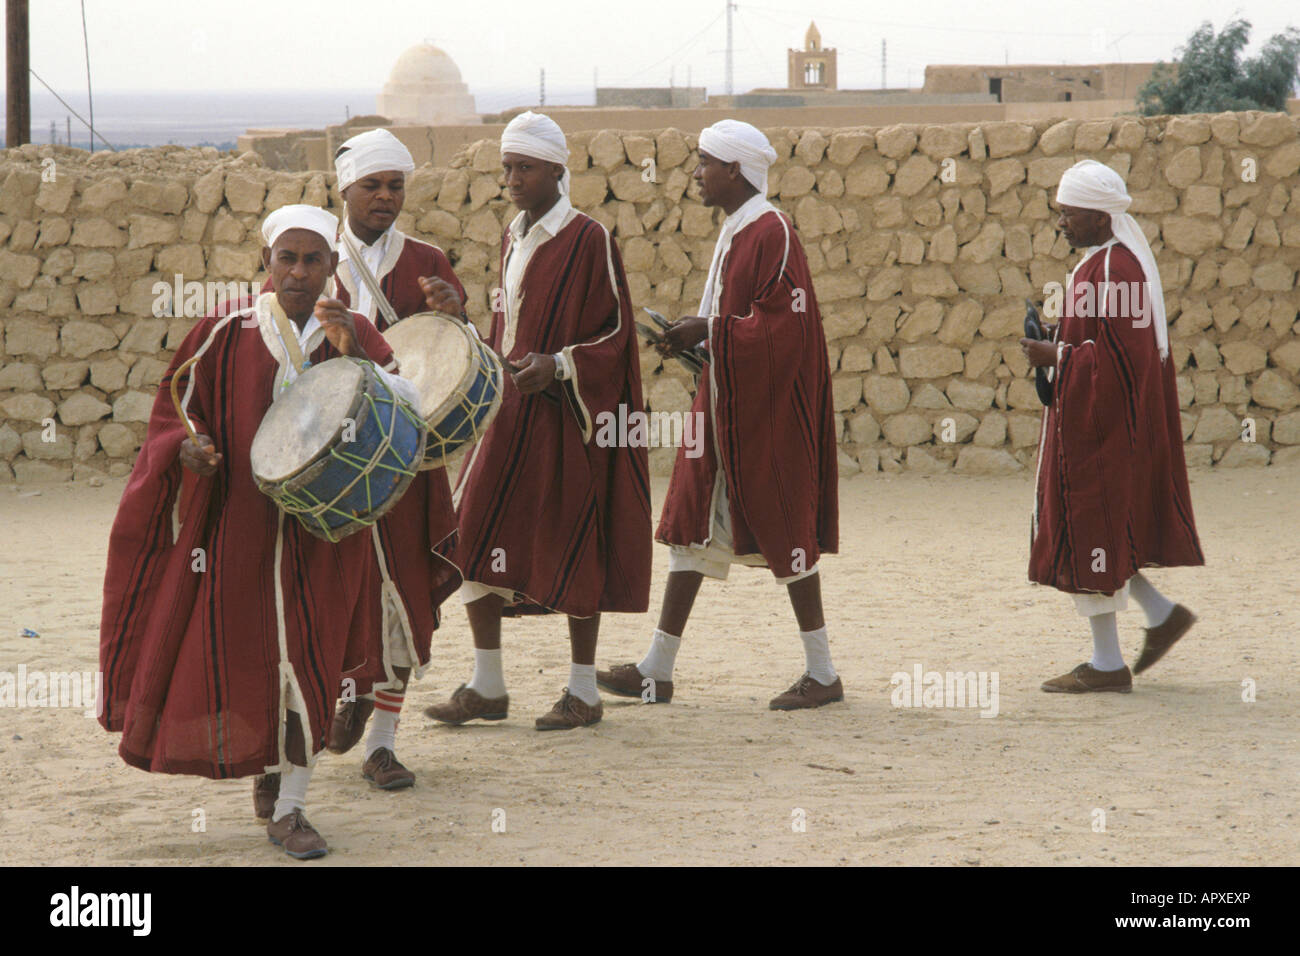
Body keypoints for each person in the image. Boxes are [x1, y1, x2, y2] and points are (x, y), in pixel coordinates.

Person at [99, 205, 416, 859]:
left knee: (311, 656)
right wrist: (189, 452)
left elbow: (407, 405)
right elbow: (175, 414)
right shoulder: (224, 331)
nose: (299, 273)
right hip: (240, 531)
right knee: (252, 657)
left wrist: (360, 355)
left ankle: (293, 807)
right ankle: (270, 773)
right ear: (266, 263)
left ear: (333, 266)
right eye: (287, 259)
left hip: (327, 534)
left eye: (313, 260)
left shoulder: (351, 328)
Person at [597, 120, 842, 711]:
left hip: (767, 414)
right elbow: (738, 324)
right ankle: (657, 668)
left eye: (705, 163)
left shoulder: (771, 230)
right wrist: (691, 340)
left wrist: (710, 329)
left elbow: (785, 325)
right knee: (693, 525)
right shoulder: (740, 231)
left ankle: (824, 673)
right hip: (727, 405)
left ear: (734, 170)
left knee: (786, 526)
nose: (696, 174)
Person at [423, 111, 652, 731]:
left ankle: (584, 693)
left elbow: (616, 331)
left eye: (524, 168)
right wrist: (462, 319)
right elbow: (509, 332)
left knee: (574, 542)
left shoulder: (588, 238)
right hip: (507, 411)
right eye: (507, 168)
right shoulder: (511, 237)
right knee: (472, 534)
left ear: (556, 170)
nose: (512, 178)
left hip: (565, 420)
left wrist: (559, 366)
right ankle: (488, 686)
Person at [315, 128, 466, 790]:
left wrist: (457, 316)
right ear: (343, 189)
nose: (384, 196)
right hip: (335, 463)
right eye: (372, 184)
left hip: (407, 460)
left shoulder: (427, 259)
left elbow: (459, 356)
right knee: (336, 593)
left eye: (395, 185)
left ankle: (382, 742)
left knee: (404, 591)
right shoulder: (310, 259)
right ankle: (346, 694)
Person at [1019, 159, 1204, 694]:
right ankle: (1161, 613)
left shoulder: (1110, 269)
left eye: (1068, 214)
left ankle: (1107, 666)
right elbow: (1101, 339)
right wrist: (1058, 336)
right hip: (1098, 424)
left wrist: (1052, 353)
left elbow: (1121, 362)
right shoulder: (1106, 265)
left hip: (1101, 430)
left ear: (1099, 217)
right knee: (1094, 533)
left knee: (1089, 528)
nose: (1060, 224)